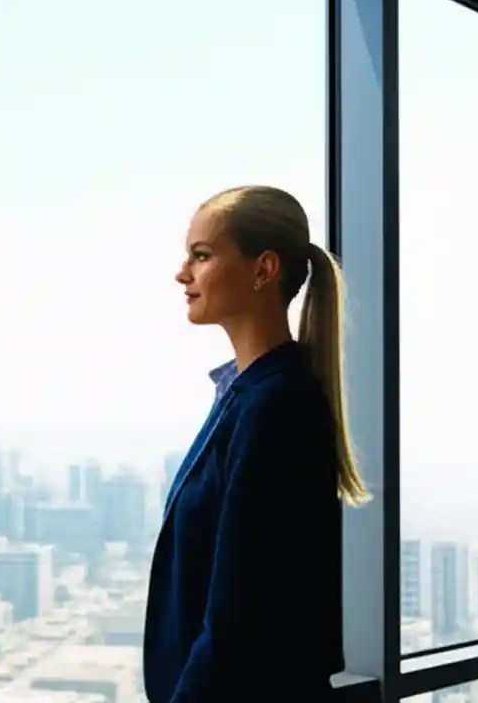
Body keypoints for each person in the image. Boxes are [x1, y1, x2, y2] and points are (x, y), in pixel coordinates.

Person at [143, 184, 372, 702]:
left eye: (202, 256)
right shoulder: (249, 394)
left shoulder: (275, 405)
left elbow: (239, 615)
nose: (183, 273)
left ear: (263, 269)